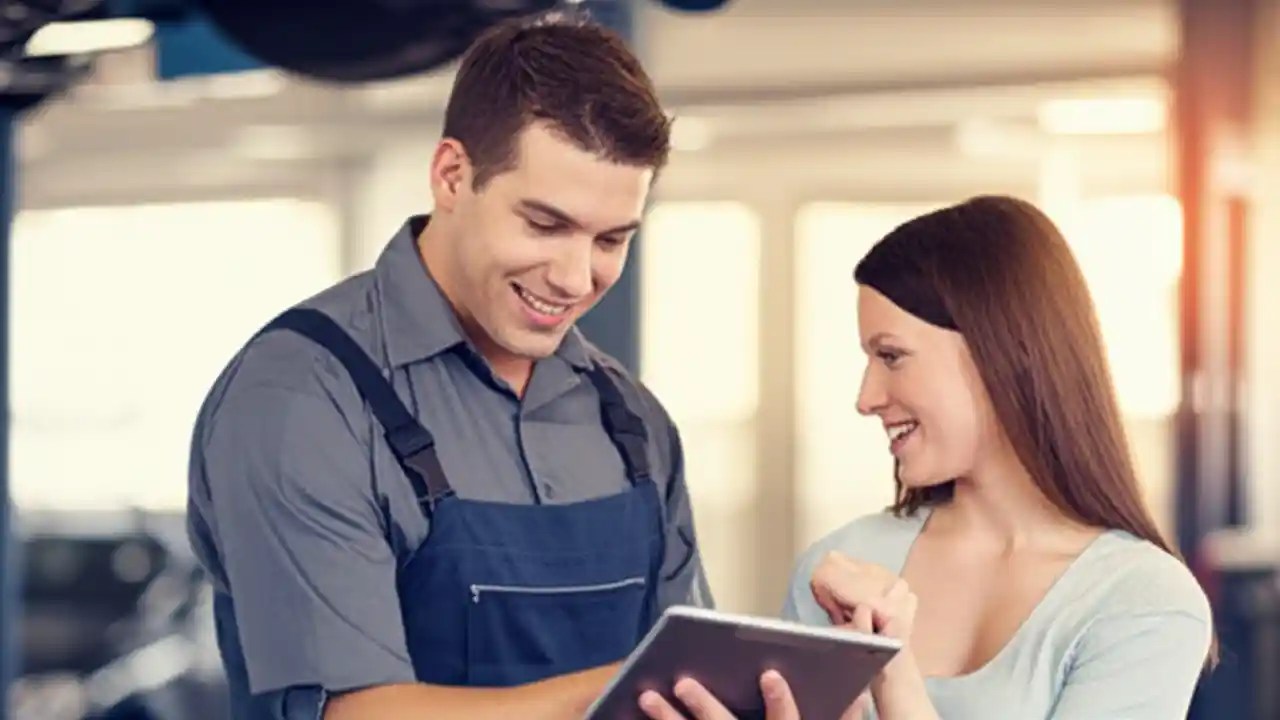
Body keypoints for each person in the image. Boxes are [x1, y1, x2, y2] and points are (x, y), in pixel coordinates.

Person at [185, 12, 723, 720]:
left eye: (611, 239)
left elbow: (688, 676)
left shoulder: (633, 421)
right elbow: (355, 716)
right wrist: (621, 689)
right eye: (545, 224)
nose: (574, 276)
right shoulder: (301, 398)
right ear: (450, 176)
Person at [776, 195, 1216, 719]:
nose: (866, 397)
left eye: (891, 356)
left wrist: (892, 673)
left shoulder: (1142, 601)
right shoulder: (841, 566)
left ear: (997, 351)